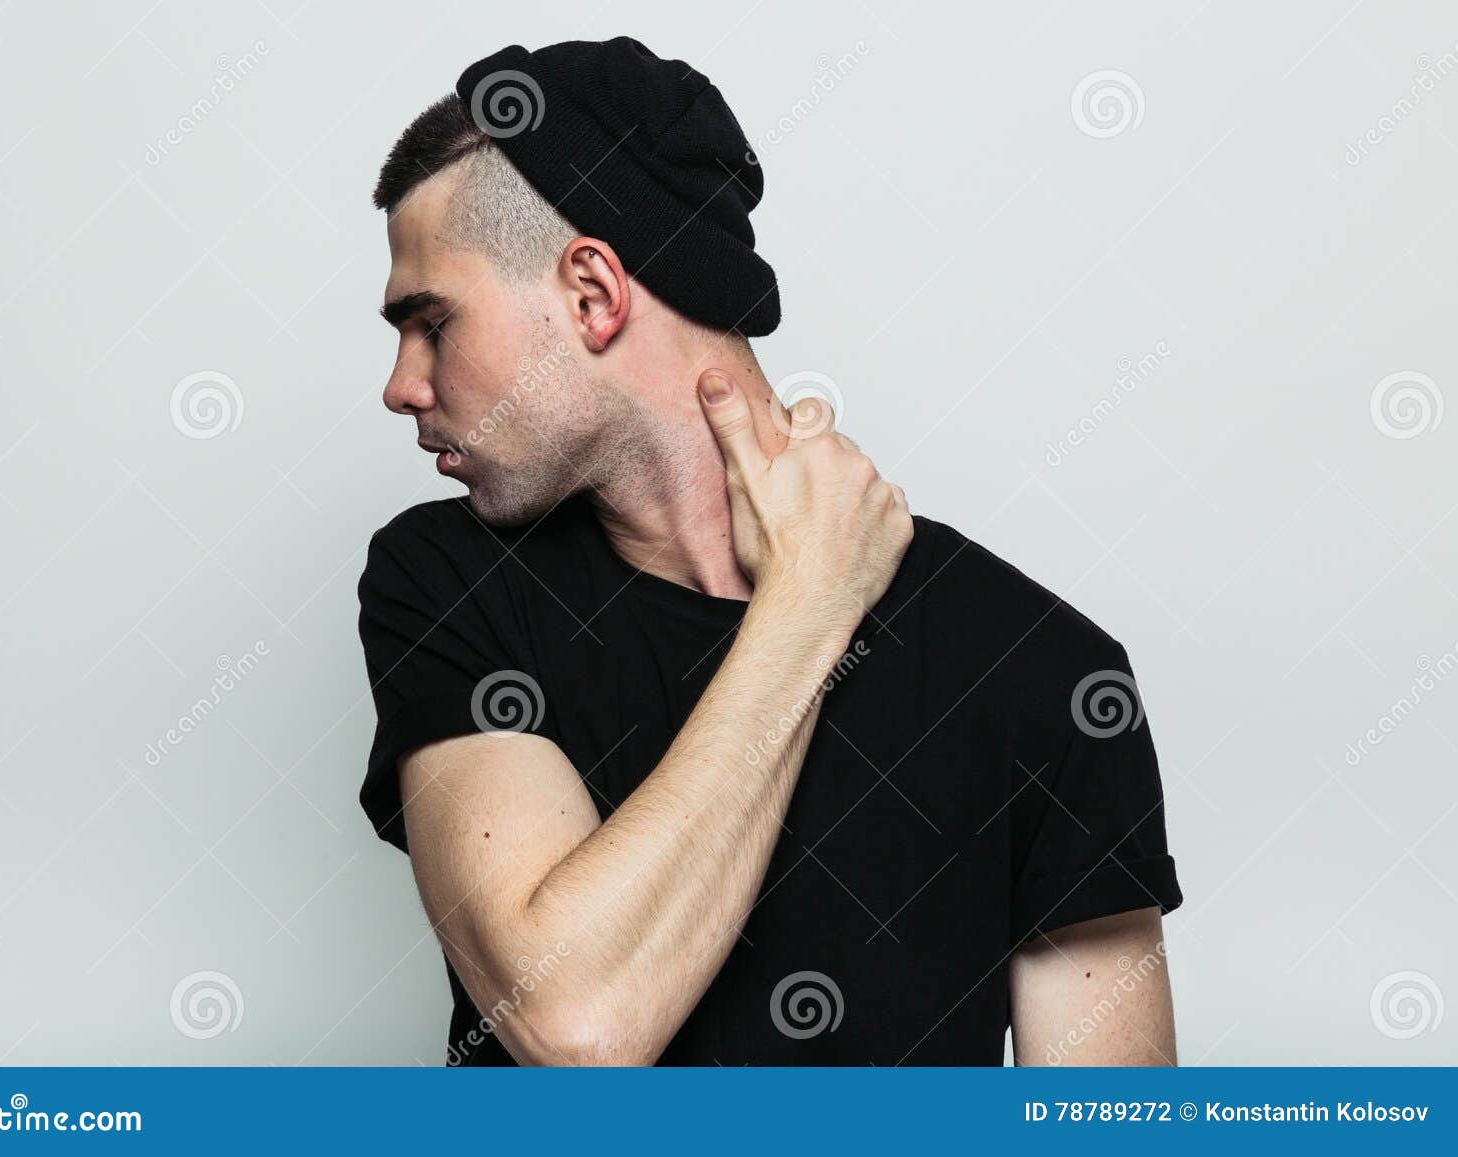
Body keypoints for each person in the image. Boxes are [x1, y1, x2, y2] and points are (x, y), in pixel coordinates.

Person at [357, 36, 1183, 1066]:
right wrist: (807, 605)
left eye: (430, 321)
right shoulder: (448, 584)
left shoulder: (1040, 669)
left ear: (591, 293)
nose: (401, 383)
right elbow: (574, 1024)